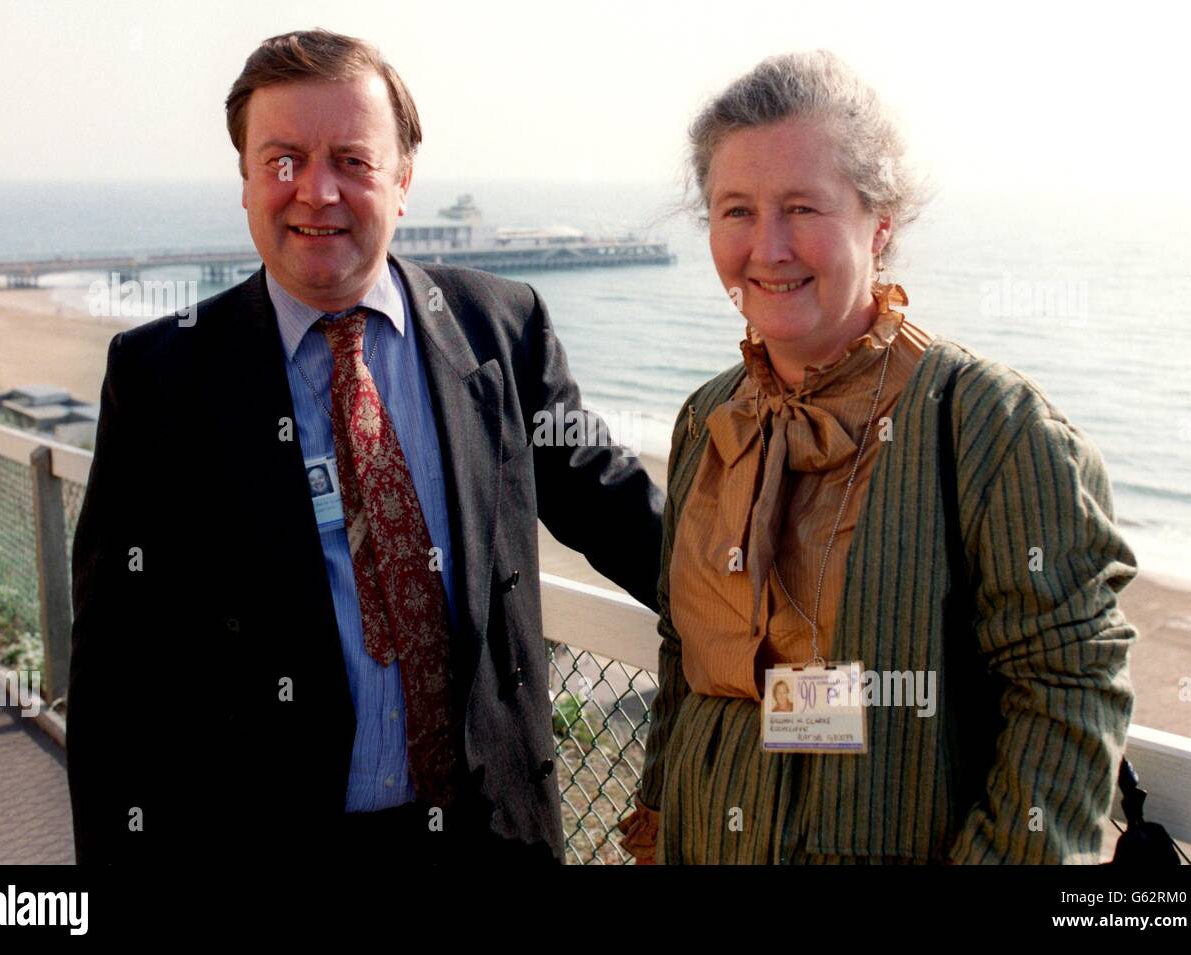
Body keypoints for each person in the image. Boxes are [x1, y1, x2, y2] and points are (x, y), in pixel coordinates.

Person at [66, 29, 663, 866]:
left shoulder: (502, 327)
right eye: (283, 160)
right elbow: (114, 674)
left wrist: (774, 604)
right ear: (245, 180)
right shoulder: (162, 378)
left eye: (352, 158)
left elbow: (614, 506)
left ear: (403, 181)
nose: (317, 192)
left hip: (491, 835)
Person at [617, 51, 1137, 865]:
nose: (769, 247)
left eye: (802, 207)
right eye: (737, 211)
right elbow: (683, 663)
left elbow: (1068, 695)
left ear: (879, 221)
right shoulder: (707, 419)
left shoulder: (988, 426)